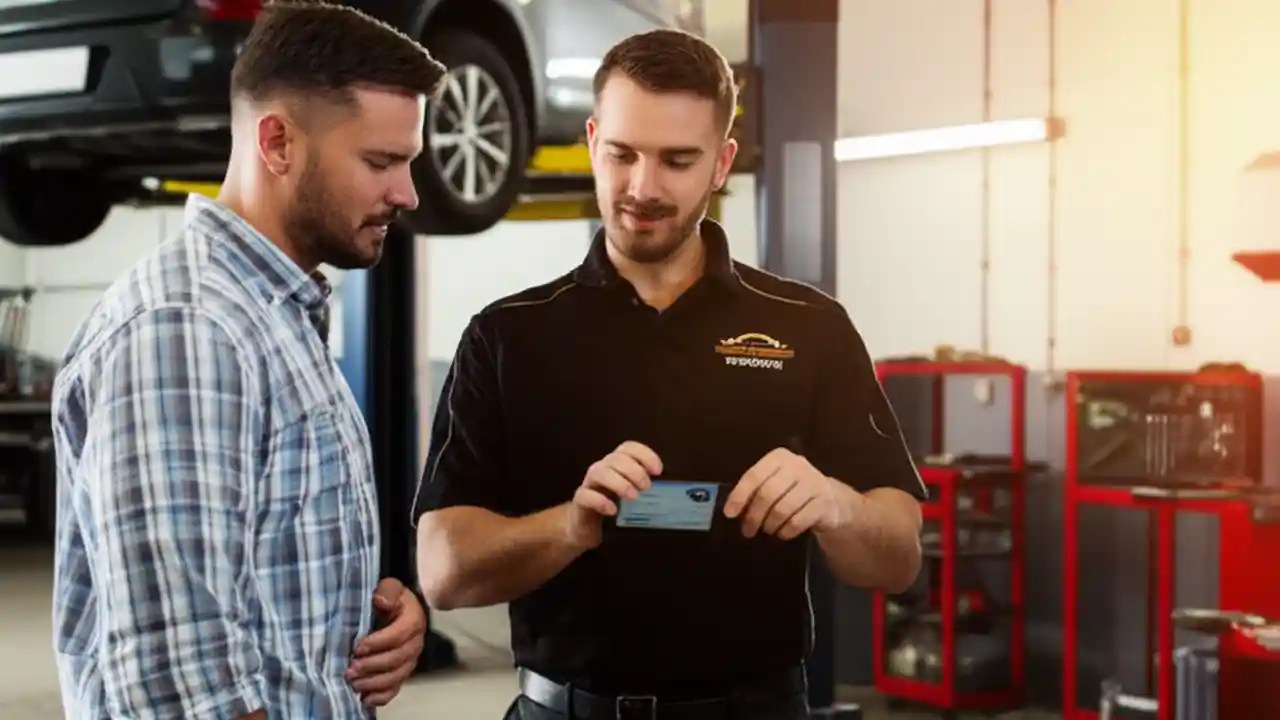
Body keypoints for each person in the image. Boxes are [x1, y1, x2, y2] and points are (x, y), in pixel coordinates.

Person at [413, 28, 928, 720]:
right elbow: (443, 571)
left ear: (721, 163)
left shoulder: (810, 328)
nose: (642, 187)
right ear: (593, 141)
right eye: (622, 154)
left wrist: (838, 504)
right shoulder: (508, 336)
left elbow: (897, 560)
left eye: (677, 160)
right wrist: (570, 525)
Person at [49, 3, 446, 717]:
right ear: (277, 141)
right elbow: (180, 680)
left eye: (407, 162)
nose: (406, 194)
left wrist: (373, 615)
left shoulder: (274, 315)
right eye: (381, 162)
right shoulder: (189, 328)